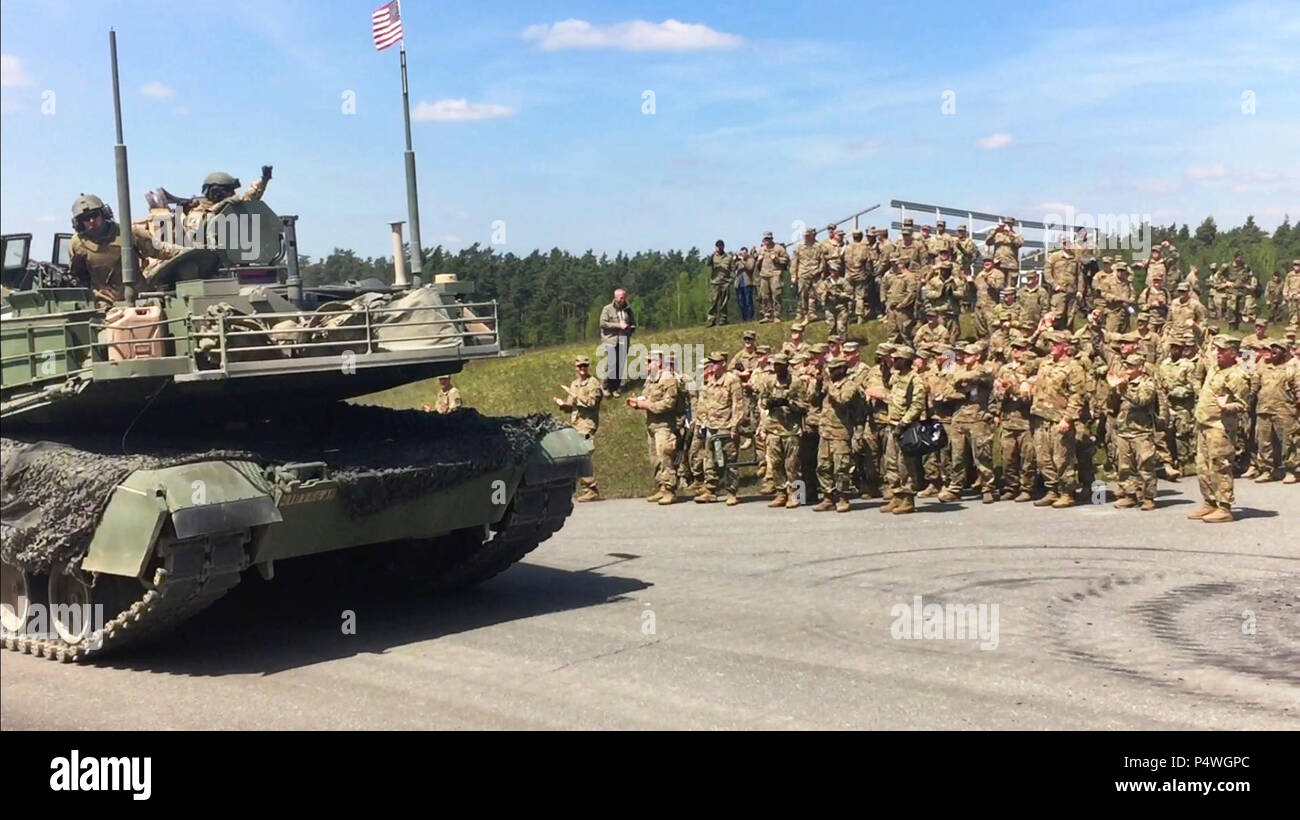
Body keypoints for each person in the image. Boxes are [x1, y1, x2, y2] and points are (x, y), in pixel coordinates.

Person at [68, 193, 180, 305]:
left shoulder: (129, 232)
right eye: (86, 218)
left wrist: (185, 251)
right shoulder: (78, 244)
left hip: (139, 299)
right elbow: (78, 276)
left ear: (103, 213)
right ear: (78, 222)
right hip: (104, 304)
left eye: (94, 215)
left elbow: (160, 250)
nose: (92, 221)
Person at [1187, 336, 1251, 523]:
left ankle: (1224, 507)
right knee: (1203, 466)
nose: (1217, 353)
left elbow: (1244, 404)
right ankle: (1210, 501)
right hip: (1204, 424)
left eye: (1222, 351)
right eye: (1216, 349)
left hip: (1220, 427)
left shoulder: (1237, 375)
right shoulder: (1215, 368)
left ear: (1233, 353)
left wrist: (1227, 406)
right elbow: (1202, 341)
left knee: (1220, 466)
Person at [627, 350, 681, 504]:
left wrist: (646, 405)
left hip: (664, 425)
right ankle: (661, 487)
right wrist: (638, 402)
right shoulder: (651, 380)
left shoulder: (668, 380)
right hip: (652, 424)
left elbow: (669, 403)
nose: (647, 364)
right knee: (655, 458)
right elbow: (648, 397)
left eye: (650, 361)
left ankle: (670, 489)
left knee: (665, 455)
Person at [758, 353, 812, 508]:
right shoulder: (769, 381)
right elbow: (762, 401)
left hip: (791, 429)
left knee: (793, 464)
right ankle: (781, 492)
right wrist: (770, 402)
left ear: (786, 366)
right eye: (775, 365)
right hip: (774, 428)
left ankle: (796, 494)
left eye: (780, 365)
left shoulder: (796, 383)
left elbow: (805, 406)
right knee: (776, 463)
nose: (777, 368)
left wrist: (789, 403)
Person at [691, 351, 745, 505]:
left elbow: (738, 405)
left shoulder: (732, 380)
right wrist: (701, 423)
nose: (712, 366)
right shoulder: (709, 380)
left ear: (723, 363)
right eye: (711, 362)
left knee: (730, 460)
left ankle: (731, 491)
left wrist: (735, 426)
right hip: (710, 426)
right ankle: (710, 489)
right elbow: (703, 403)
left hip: (726, 426)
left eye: (715, 362)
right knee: (709, 459)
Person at [880, 346, 928, 514]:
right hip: (892, 424)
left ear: (905, 360)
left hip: (907, 427)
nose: (894, 361)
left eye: (897, 359)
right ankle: (896, 495)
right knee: (891, 462)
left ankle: (908, 498)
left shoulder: (915, 380)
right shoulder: (896, 377)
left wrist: (904, 423)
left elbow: (917, 405)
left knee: (906, 464)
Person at [1109, 353, 1160, 510]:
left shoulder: (1147, 384)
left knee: (1145, 466)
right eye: (1126, 366)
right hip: (1124, 431)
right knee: (1125, 467)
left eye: (1131, 366)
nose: (1127, 369)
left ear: (1140, 368)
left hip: (1141, 431)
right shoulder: (1124, 383)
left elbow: (1141, 401)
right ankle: (1130, 494)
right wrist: (1113, 389)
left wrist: (1124, 389)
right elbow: (1112, 405)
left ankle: (1148, 497)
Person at [554, 356, 603, 502]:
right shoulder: (575, 384)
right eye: (580, 366)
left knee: (582, 454)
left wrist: (575, 395)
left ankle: (592, 488)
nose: (582, 369)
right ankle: (582, 487)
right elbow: (571, 405)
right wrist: (563, 404)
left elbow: (592, 403)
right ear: (576, 368)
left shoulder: (593, 383)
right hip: (575, 424)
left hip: (587, 424)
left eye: (585, 366)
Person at [184, 167, 272, 234]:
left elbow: (249, 197)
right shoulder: (197, 213)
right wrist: (217, 208)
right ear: (217, 192)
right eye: (230, 191)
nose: (234, 193)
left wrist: (264, 180)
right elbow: (197, 230)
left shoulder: (229, 206)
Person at [598, 288, 635, 396]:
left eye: (624, 297)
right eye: (621, 297)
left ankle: (615, 388)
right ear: (615, 297)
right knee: (610, 364)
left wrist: (630, 328)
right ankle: (605, 386)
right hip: (611, 340)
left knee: (620, 364)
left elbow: (632, 322)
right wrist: (618, 325)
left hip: (624, 340)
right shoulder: (607, 309)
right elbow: (602, 323)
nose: (623, 299)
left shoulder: (628, 309)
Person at [755, 231, 790, 323]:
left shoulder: (779, 248)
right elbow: (756, 264)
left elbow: (786, 260)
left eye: (769, 239)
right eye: (766, 239)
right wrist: (758, 260)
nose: (767, 241)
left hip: (775, 274)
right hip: (764, 275)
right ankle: (767, 315)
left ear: (772, 239)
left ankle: (777, 315)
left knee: (776, 295)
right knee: (764, 296)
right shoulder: (761, 249)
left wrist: (777, 259)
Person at [706, 240, 734, 327]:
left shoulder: (729, 257)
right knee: (713, 302)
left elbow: (732, 269)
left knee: (724, 302)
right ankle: (711, 320)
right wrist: (711, 255)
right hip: (715, 282)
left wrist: (731, 280)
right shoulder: (713, 256)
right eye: (717, 246)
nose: (719, 248)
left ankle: (723, 319)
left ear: (723, 246)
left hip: (725, 282)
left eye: (720, 246)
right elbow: (707, 263)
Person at [734, 246, 757, 321]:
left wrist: (742, 261)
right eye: (741, 253)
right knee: (741, 302)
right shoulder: (738, 261)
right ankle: (744, 318)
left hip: (747, 283)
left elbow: (750, 268)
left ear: (747, 253)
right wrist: (734, 260)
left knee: (748, 301)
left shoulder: (750, 259)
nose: (742, 255)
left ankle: (750, 317)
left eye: (743, 253)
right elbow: (732, 268)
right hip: (739, 284)